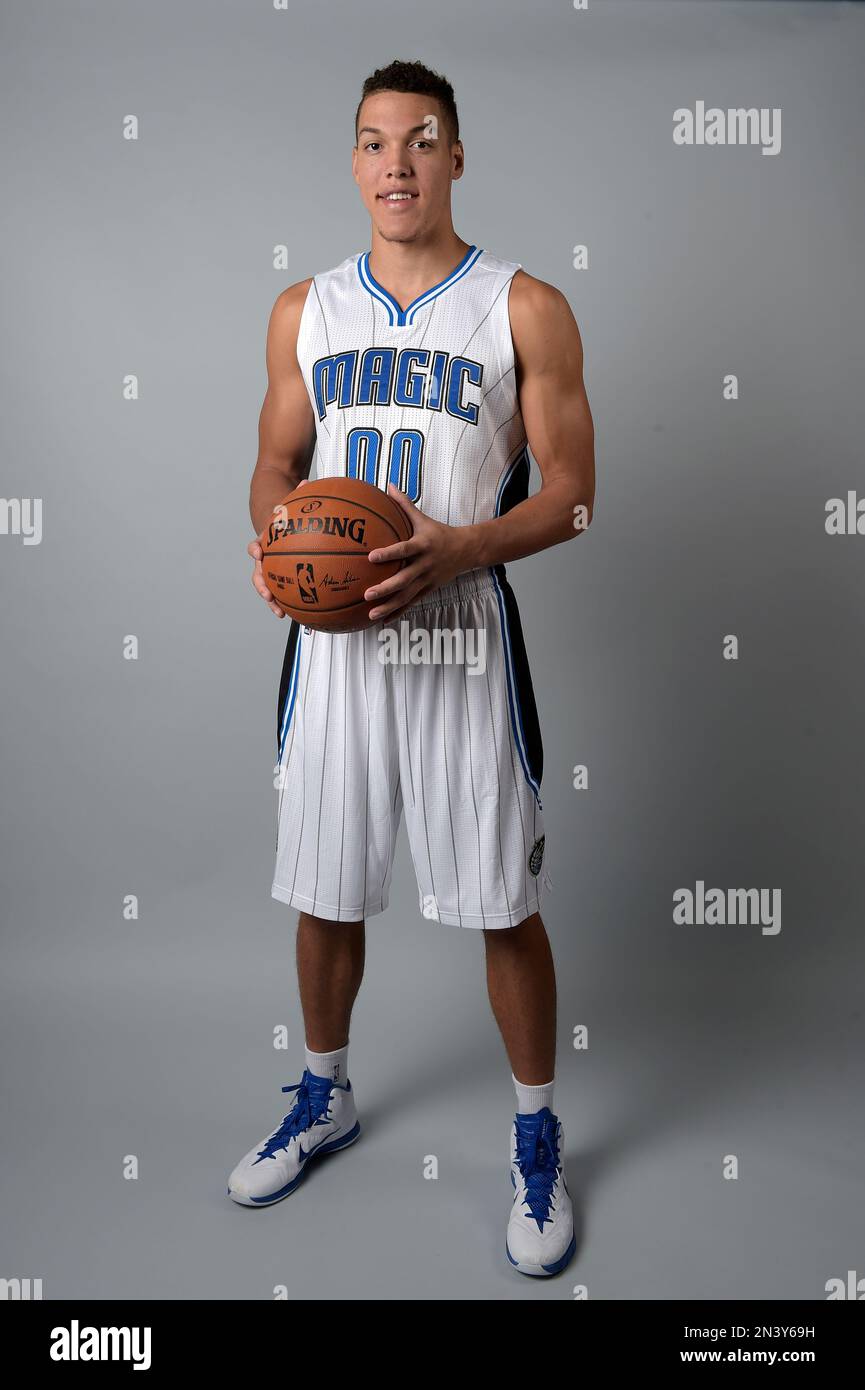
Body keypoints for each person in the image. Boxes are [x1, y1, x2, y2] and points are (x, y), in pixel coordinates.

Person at [228, 58, 595, 1278]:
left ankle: (537, 1134)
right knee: (324, 885)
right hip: (333, 653)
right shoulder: (304, 309)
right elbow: (275, 463)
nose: (398, 161)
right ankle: (323, 1095)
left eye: (422, 139)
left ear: (454, 157)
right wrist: (278, 538)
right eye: (376, 141)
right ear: (354, 163)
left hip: (463, 637)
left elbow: (577, 498)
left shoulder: (524, 306)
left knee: (502, 900)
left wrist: (465, 545)